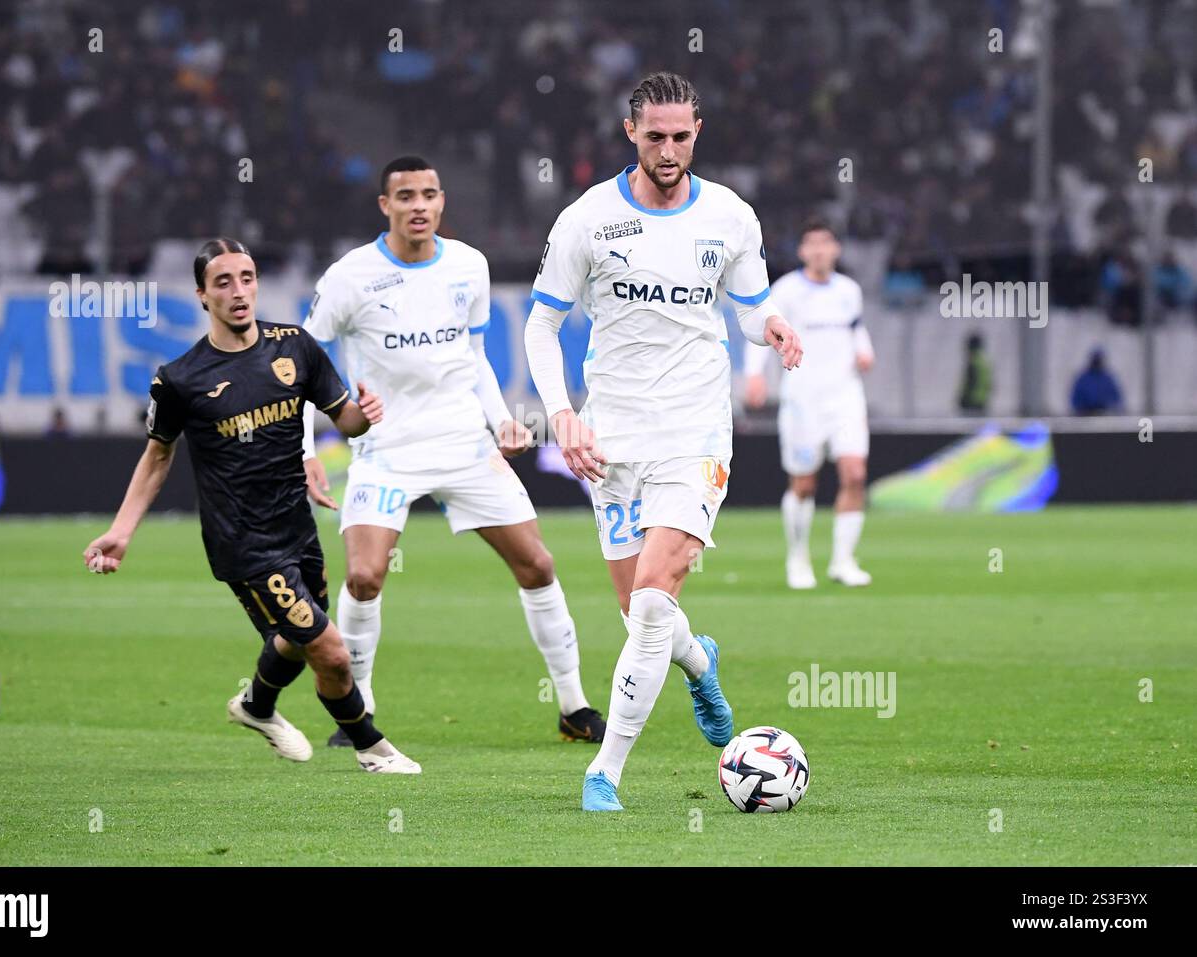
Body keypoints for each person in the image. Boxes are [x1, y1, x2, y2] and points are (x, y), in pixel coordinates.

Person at [524, 72, 803, 811]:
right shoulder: (587, 220)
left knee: (650, 603)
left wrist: (770, 326)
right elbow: (540, 324)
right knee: (640, 614)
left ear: (697, 132)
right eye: (655, 136)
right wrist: (561, 413)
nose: (669, 149)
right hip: (611, 434)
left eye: (681, 136)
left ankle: (603, 773)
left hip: (695, 428)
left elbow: (750, 308)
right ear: (630, 134)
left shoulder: (731, 217)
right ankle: (697, 660)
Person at [83, 238, 420, 773]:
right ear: (201, 294)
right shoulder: (180, 378)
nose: (239, 291)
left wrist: (365, 413)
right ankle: (372, 748)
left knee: (294, 637)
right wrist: (122, 532)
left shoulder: (296, 348)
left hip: (298, 529)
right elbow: (156, 457)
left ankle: (256, 705)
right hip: (243, 543)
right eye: (223, 282)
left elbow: (347, 421)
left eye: (247, 277)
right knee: (329, 650)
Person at [302, 156, 606, 747]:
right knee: (364, 577)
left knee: (538, 565)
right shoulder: (350, 276)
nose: (420, 205)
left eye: (430, 194)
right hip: (385, 448)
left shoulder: (469, 266)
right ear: (384, 205)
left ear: (442, 201)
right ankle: (354, 714)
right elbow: (298, 367)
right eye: (406, 196)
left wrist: (500, 423)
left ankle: (573, 706)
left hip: (464, 443)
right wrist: (308, 450)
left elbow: (474, 356)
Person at [744, 219, 874, 589]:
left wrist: (865, 351)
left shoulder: (849, 290)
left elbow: (855, 328)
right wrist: (755, 375)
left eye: (826, 243)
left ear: (836, 249)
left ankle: (844, 561)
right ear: (802, 252)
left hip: (845, 395)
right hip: (803, 398)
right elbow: (764, 331)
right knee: (803, 484)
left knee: (855, 474)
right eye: (812, 244)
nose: (819, 250)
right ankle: (798, 558)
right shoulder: (785, 291)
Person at [1070, 348, 1123, 414]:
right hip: (1086, 413)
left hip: (1104, 413)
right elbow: (1075, 398)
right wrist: (1079, 409)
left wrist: (1113, 407)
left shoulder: (1107, 378)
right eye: (1095, 359)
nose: (1097, 362)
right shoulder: (1083, 378)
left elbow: (1116, 397)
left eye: (1098, 359)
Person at [958, 333, 991, 414]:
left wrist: (963, 400)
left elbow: (970, 383)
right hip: (983, 400)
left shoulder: (973, 361)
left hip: (972, 402)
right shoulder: (985, 361)